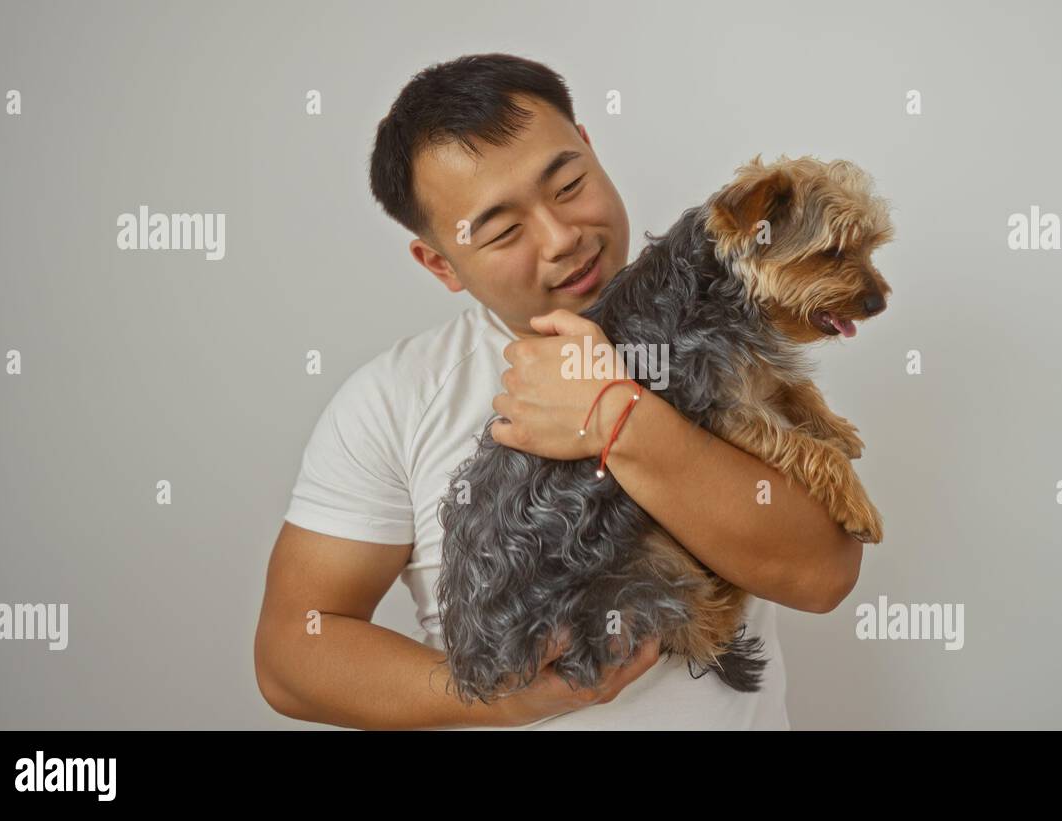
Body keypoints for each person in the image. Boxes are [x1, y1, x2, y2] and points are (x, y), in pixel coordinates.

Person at [253, 52, 864, 730]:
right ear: (440, 263)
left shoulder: (725, 335)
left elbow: (822, 573)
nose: (561, 237)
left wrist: (612, 418)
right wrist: (511, 698)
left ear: (592, 150)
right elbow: (292, 653)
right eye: (504, 230)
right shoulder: (393, 400)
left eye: (569, 184)